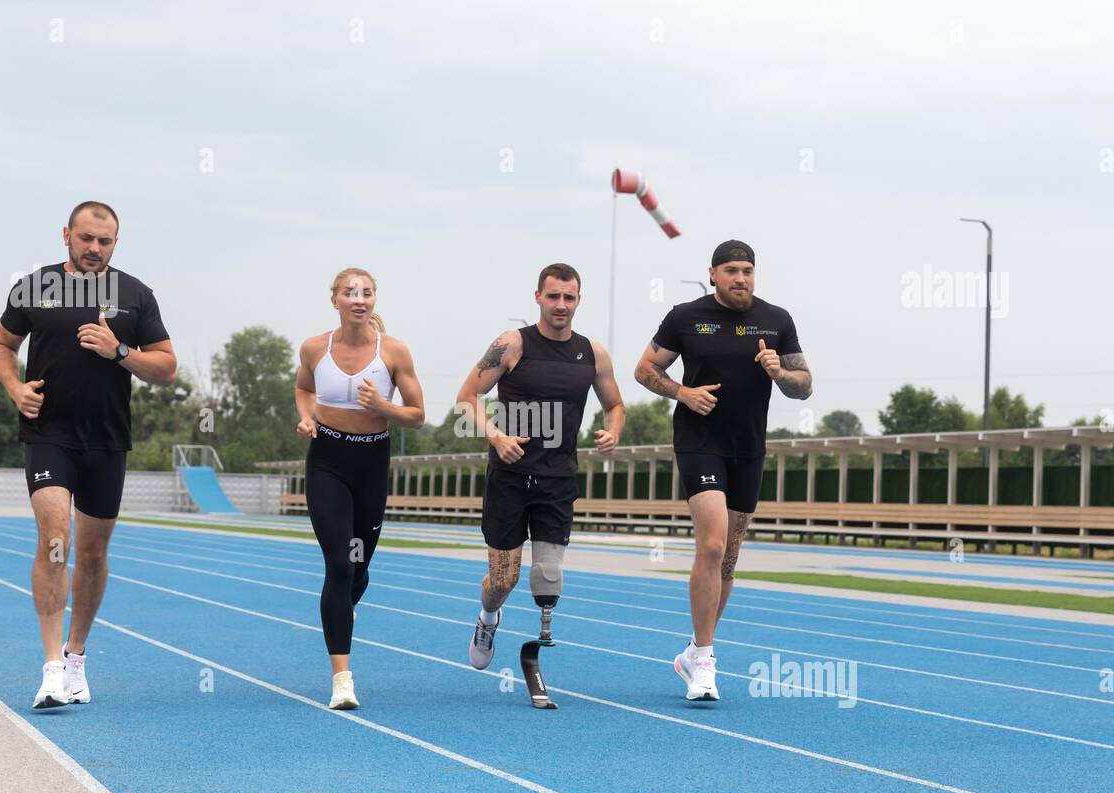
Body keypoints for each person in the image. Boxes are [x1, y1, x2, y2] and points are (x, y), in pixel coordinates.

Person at [0, 201, 177, 709]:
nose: (95, 248)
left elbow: (166, 368)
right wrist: (15, 389)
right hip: (48, 432)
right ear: (66, 235)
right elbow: (2, 346)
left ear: (116, 243)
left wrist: (118, 351)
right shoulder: (35, 287)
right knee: (55, 537)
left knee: (92, 555)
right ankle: (51, 668)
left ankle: (76, 659)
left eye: (106, 241)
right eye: (87, 238)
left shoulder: (135, 295)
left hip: (107, 439)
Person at [634, 239, 812, 701]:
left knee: (729, 555)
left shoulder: (777, 321)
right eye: (731, 270)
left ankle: (694, 650)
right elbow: (644, 369)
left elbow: (804, 387)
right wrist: (683, 393)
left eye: (748, 270)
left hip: (748, 447)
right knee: (711, 541)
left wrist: (779, 373)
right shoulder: (685, 316)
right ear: (712, 274)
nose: (741, 278)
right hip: (700, 442)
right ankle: (708, 662)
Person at [457, 262, 624, 671]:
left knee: (548, 576)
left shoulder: (593, 353)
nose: (561, 305)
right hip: (510, 479)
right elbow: (466, 398)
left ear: (579, 300)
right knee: (503, 580)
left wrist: (612, 431)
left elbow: (615, 405)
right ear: (538, 297)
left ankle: (542, 634)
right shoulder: (513, 344)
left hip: (558, 479)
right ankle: (488, 619)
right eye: (553, 296)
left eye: (569, 297)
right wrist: (496, 436)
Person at [295, 268, 425, 709]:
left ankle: (341, 610)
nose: (359, 299)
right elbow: (302, 387)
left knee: (359, 565)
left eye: (366, 293)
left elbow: (418, 414)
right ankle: (342, 679)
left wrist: (382, 405)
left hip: (371, 462)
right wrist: (307, 415)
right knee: (339, 563)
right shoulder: (315, 348)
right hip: (327, 462)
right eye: (350, 292)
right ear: (334, 299)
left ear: (374, 301)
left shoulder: (394, 352)